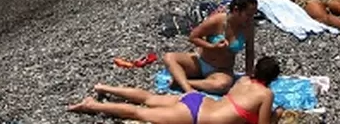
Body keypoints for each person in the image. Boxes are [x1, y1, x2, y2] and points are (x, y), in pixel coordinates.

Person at [67, 56, 279, 124]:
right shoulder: (266, 94)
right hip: (196, 115)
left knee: (149, 98)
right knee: (139, 112)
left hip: (198, 100)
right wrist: (275, 116)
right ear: (273, 79)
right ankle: (91, 105)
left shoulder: (243, 82)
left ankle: (102, 87)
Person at [162, 0, 259, 94]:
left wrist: (248, 75)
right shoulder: (218, 21)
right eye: (248, 15)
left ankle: (184, 83)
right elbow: (193, 37)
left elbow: (250, 51)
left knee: (222, 85)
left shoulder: (248, 27)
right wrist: (212, 46)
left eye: (253, 15)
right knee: (169, 57)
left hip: (222, 70)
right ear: (236, 10)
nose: (251, 18)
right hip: (201, 62)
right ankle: (189, 90)